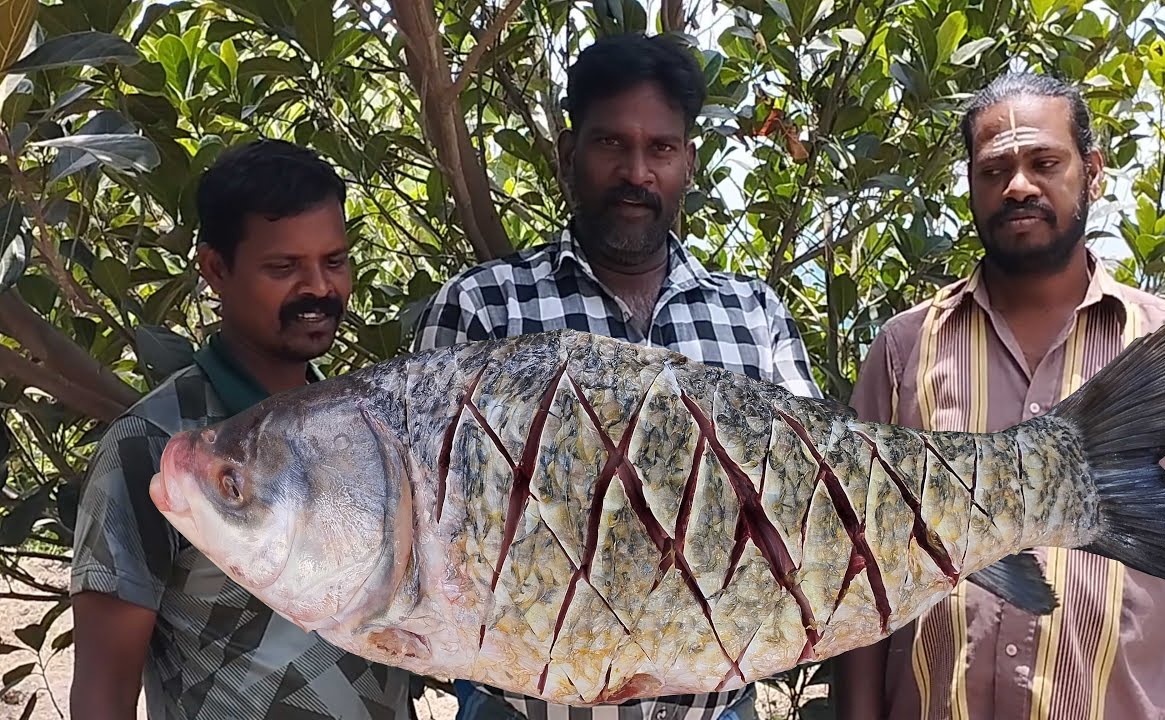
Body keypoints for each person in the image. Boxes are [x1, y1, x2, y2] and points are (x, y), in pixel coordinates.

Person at [832, 71, 1165, 720]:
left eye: (1045, 162)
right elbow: (861, 572)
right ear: (971, 186)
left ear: (1091, 172)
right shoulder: (905, 352)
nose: (1019, 185)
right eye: (995, 170)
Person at [413, 31, 822, 720]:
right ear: (570, 155)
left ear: (688, 163)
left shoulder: (754, 315)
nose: (637, 172)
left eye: (660, 148)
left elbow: (811, 498)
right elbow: (434, 529)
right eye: (611, 145)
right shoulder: (483, 308)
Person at [68, 138, 415, 719]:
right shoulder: (153, 448)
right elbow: (103, 692)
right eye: (284, 267)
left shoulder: (366, 435)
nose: (320, 289)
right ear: (215, 269)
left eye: (334, 261)